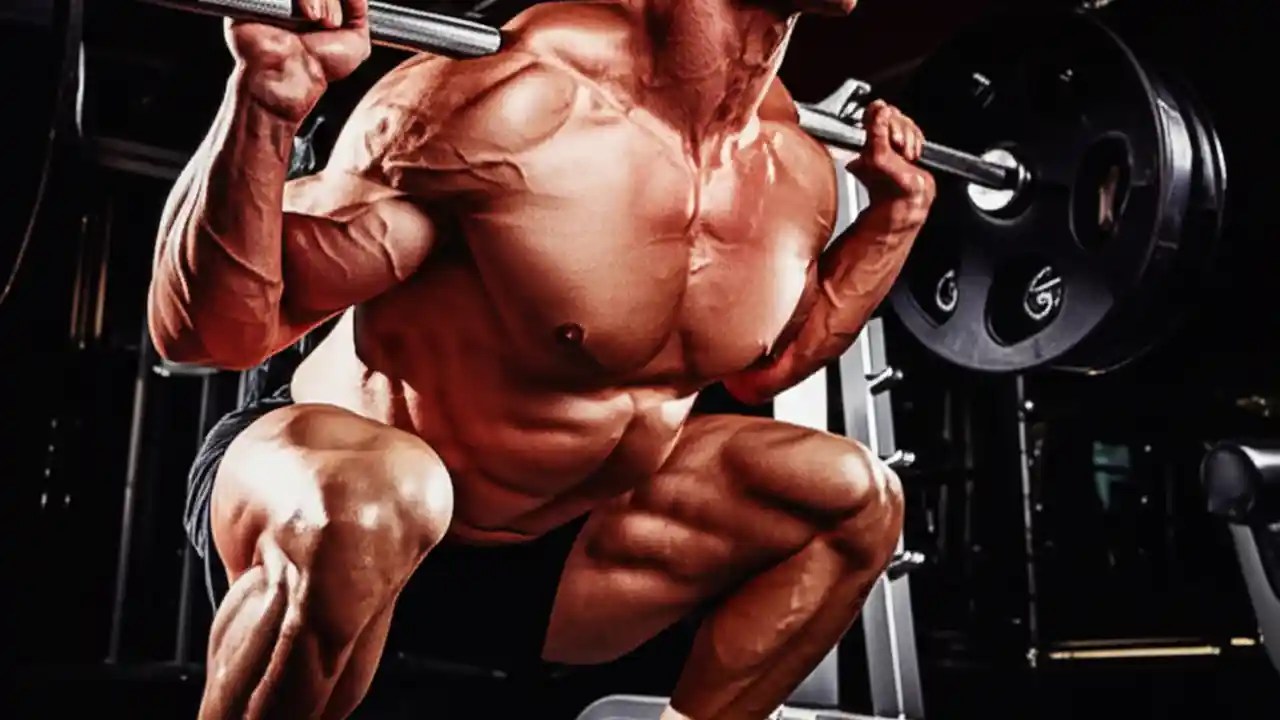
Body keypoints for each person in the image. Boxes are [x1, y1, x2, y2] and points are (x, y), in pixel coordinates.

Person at [147, 0, 935, 715]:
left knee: (852, 499)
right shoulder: (511, 102)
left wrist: (894, 221)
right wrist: (264, 104)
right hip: (334, 519)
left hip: (554, 560)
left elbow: (768, 363)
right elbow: (211, 334)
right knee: (378, 497)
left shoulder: (790, 164)